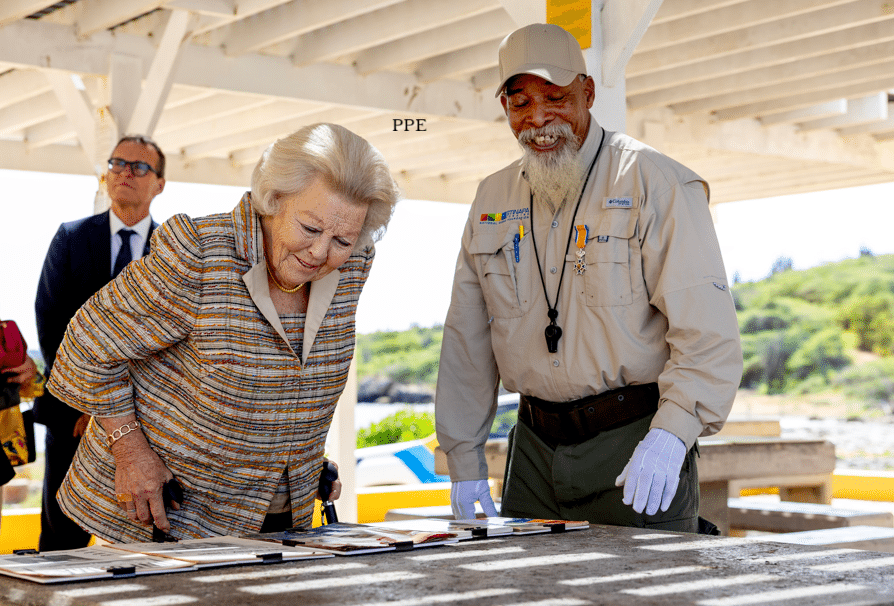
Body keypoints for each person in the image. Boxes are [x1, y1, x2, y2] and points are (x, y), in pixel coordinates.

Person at [435, 24, 743, 532]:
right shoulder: (489, 199)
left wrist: (672, 433)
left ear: (588, 93)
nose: (538, 119)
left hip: (635, 447)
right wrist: (463, 461)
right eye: (519, 103)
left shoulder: (655, 181)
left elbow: (706, 332)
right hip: (531, 453)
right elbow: (467, 341)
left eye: (555, 98)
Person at [46, 123, 399, 543]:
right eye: (309, 228)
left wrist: (302, 459)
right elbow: (87, 343)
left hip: (281, 519)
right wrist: (129, 449)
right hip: (168, 517)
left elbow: (294, 373)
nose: (321, 253)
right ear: (275, 199)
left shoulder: (352, 266)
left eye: (342, 239)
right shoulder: (200, 251)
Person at [33, 134, 166, 551]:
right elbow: (52, 324)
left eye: (139, 167)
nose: (125, 172)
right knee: (61, 540)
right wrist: (92, 406)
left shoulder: (175, 252)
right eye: (116, 163)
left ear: (159, 183)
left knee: (153, 542)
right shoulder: (70, 239)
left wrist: (122, 413)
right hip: (71, 416)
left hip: (151, 426)